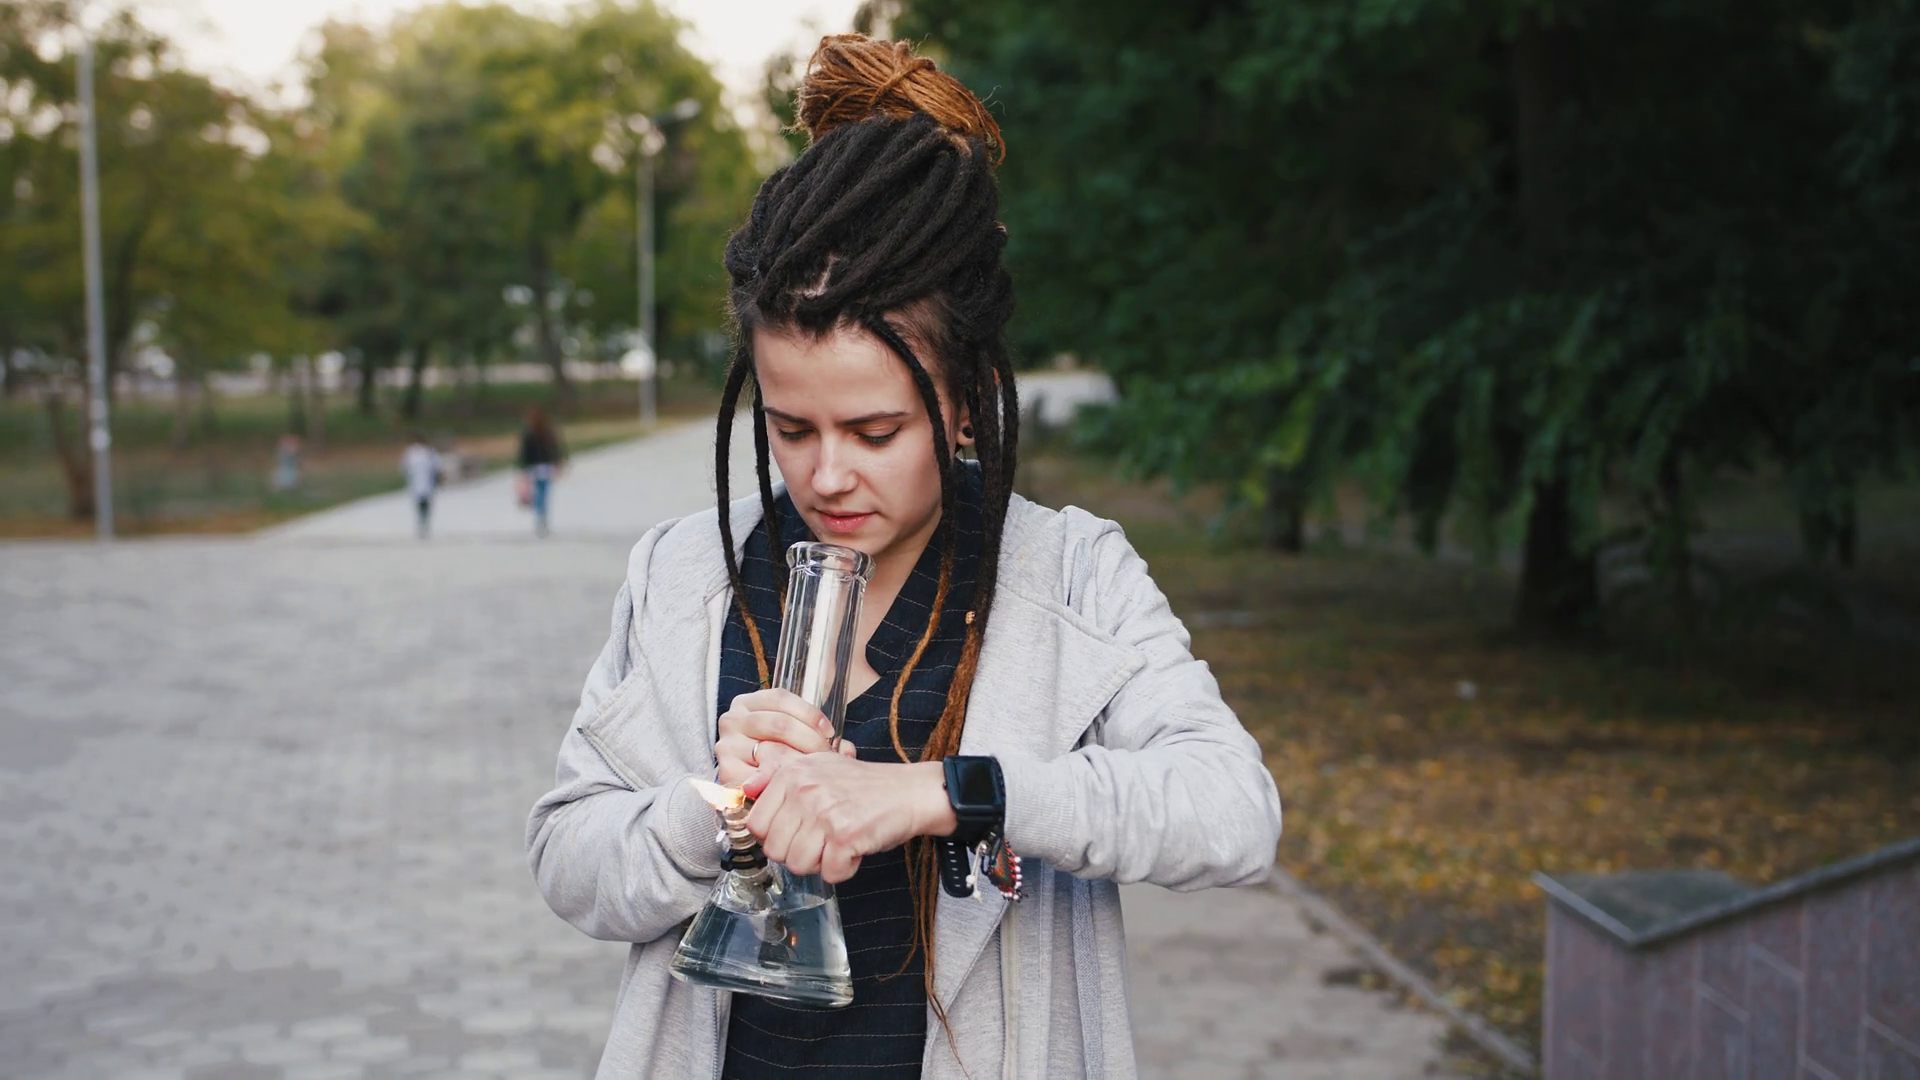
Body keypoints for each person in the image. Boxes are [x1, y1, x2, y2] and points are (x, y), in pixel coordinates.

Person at [526, 35, 1281, 1080]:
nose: (828, 475)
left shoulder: (1070, 573)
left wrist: (949, 793)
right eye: (791, 428)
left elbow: (1231, 812)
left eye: (875, 432)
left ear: (967, 403)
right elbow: (568, 858)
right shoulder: (683, 573)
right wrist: (710, 812)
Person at [518, 406, 566, 537]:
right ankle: (542, 514)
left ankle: (539, 514)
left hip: (534, 467)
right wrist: (557, 462)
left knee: (539, 491)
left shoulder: (529, 433)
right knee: (544, 492)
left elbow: (525, 453)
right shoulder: (546, 432)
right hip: (545, 466)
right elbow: (554, 449)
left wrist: (524, 467)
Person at [399, 432, 440, 539]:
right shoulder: (412, 452)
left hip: (424, 481)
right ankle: (422, 522)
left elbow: (404, 468)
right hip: (419, 481)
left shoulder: (426, 452)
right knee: (422, 503)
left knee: (423, 503)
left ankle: (423, 522)